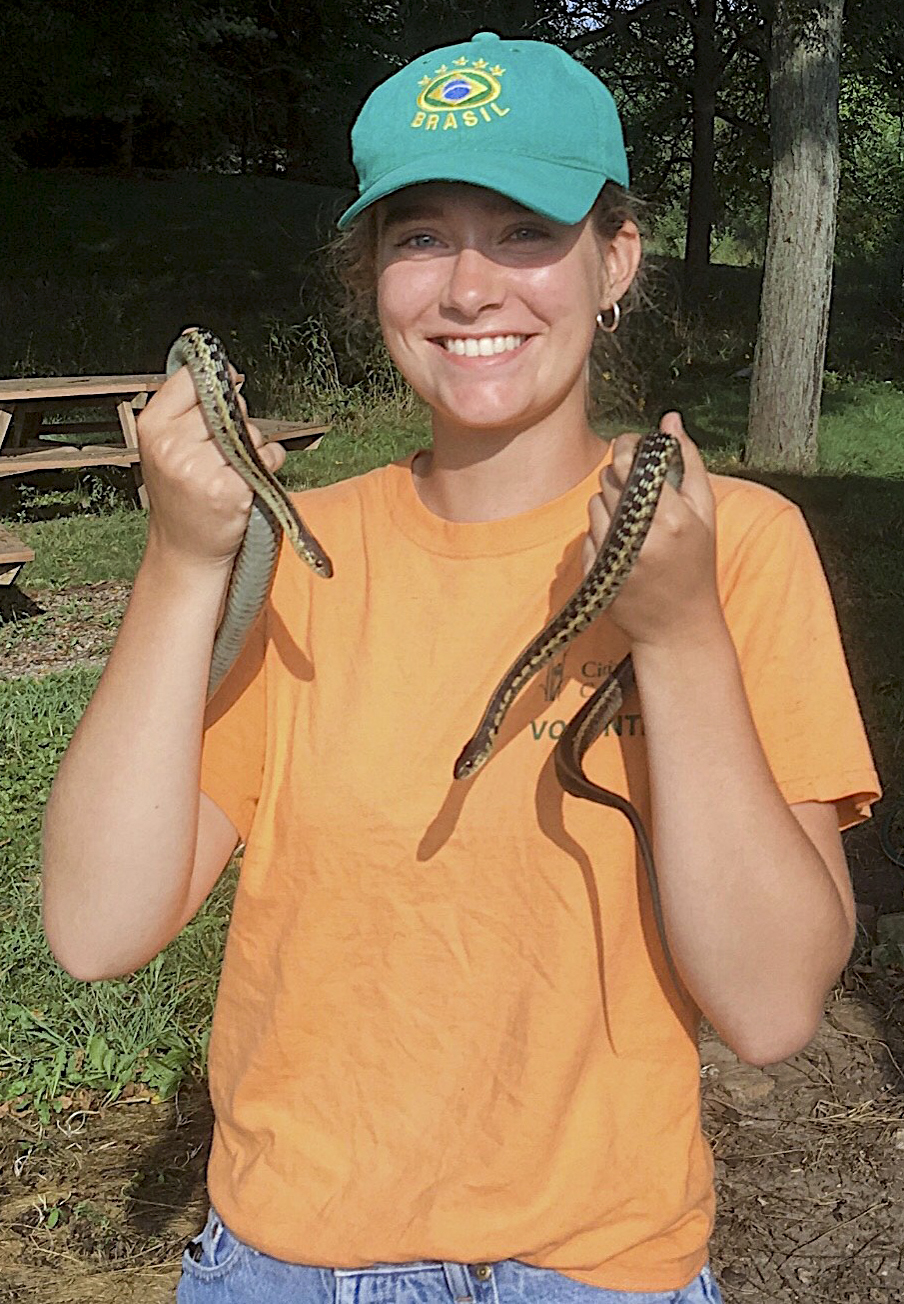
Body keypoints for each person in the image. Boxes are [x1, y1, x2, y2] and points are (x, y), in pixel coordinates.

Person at [41, 30, 880, 1304]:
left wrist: (678, 633)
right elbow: (95, 928)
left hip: (596, 1272)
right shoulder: (306, 555)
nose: (470, 288)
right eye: (422, 235)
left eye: (526, 231)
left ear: (616, 257)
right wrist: (181, 558)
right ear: (370, 275)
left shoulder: (734, 548)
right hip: (288, 1264)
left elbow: (769, 1009)